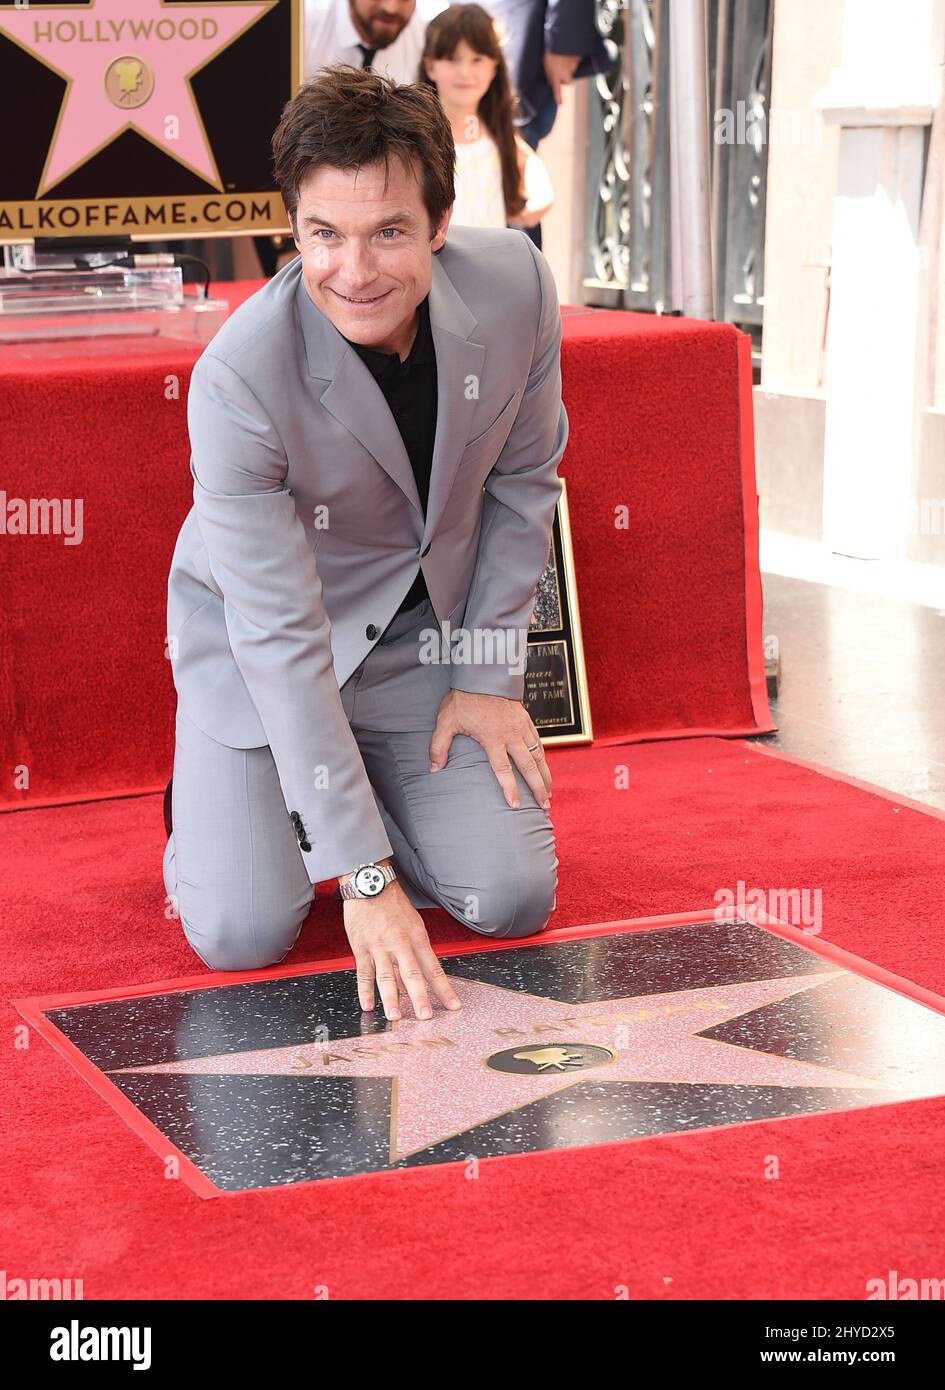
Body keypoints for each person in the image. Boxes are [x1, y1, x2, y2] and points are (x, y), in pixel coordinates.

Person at [163, 66, 568, 1024]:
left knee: (509, 898)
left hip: (420, 647)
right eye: (324, 236)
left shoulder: (516, 286)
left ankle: (365, 796)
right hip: (266, 660)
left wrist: (486, 677)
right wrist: (366, 877)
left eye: (388, 232)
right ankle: (212, 798)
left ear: (439, 221)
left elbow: (523, 486)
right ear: (292, 230)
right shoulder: (237, 380)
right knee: (243, 932)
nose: (354, 272)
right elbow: (280, 635)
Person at [420, 3, 552, 231]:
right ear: (431, 66)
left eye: (477, 59)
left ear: (494, 67)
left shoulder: (495, 130)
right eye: (453, 59)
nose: (465, 72)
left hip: (491, 250)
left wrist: (541, 198)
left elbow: (529, 163)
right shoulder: (417, 133)